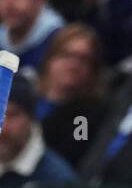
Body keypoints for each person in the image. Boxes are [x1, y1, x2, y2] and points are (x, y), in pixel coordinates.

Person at [35, 23, 110, 169]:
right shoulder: (27, 98)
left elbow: (73, 153)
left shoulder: (85, 117)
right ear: (50, 59)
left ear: (93, 70)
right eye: (67, 55)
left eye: (83, 59)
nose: (74, 65)